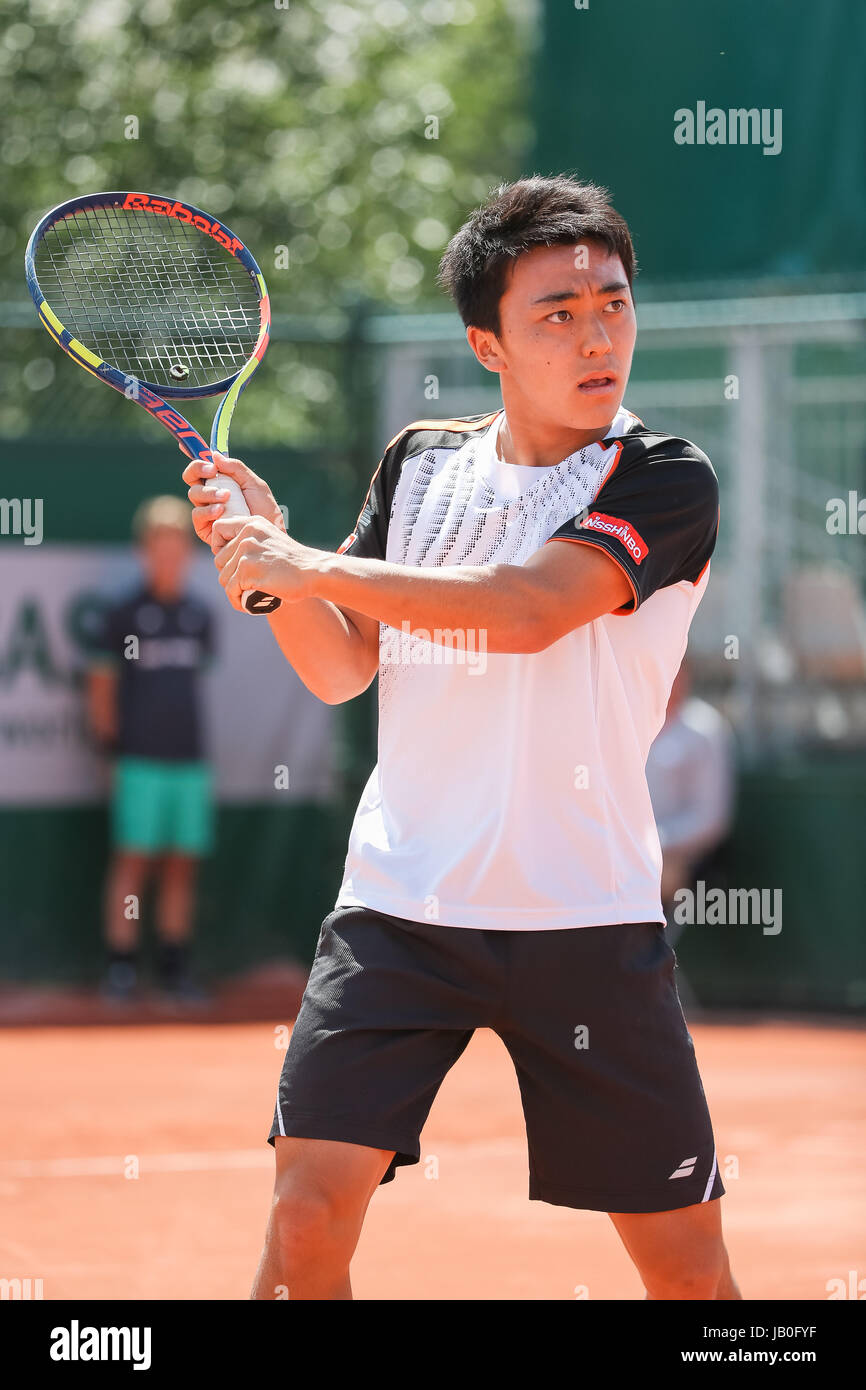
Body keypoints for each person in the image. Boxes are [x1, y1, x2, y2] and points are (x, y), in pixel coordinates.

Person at [184, 175, 741, 1301]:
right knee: (301, 1230)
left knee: (684, 1273)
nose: (598, 336)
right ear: (487, 344)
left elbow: (531, 608)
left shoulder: (666, 476)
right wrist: (268, 556)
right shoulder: (420, 462)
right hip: (399, 909)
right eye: (557, 313)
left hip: (585, 914)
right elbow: (342, 663)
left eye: (613, 304)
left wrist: (310, 564)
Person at [88, 495, 215, 1005]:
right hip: (137, 762)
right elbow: (101, 690)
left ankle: (174, 968)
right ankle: (120, 969)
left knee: (182, 864)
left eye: (177, 545)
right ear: (145, 551)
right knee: (134, 861)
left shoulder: (200, 616)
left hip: (190, 762)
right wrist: (112, 752)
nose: (169, 554)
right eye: (159, 545)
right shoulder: (123, 615)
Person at [646, 660, 736, 939]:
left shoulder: (704, 728)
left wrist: (652, 845)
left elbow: (711, 820)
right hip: (629, 852)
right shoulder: (629, 721)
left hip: (684, 859)